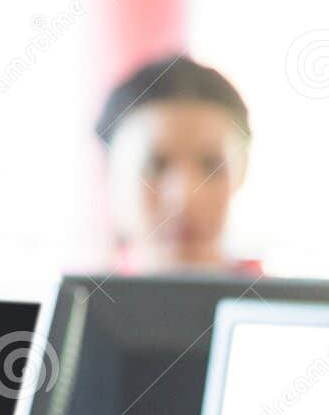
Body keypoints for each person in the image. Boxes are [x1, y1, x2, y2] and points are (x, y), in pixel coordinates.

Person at [96, 53, 260, 274]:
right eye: (156, 166)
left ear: (242, 172)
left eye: (213, 167)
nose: (184, 198)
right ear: (109, 173)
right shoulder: (65, 305)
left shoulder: (286, 308)